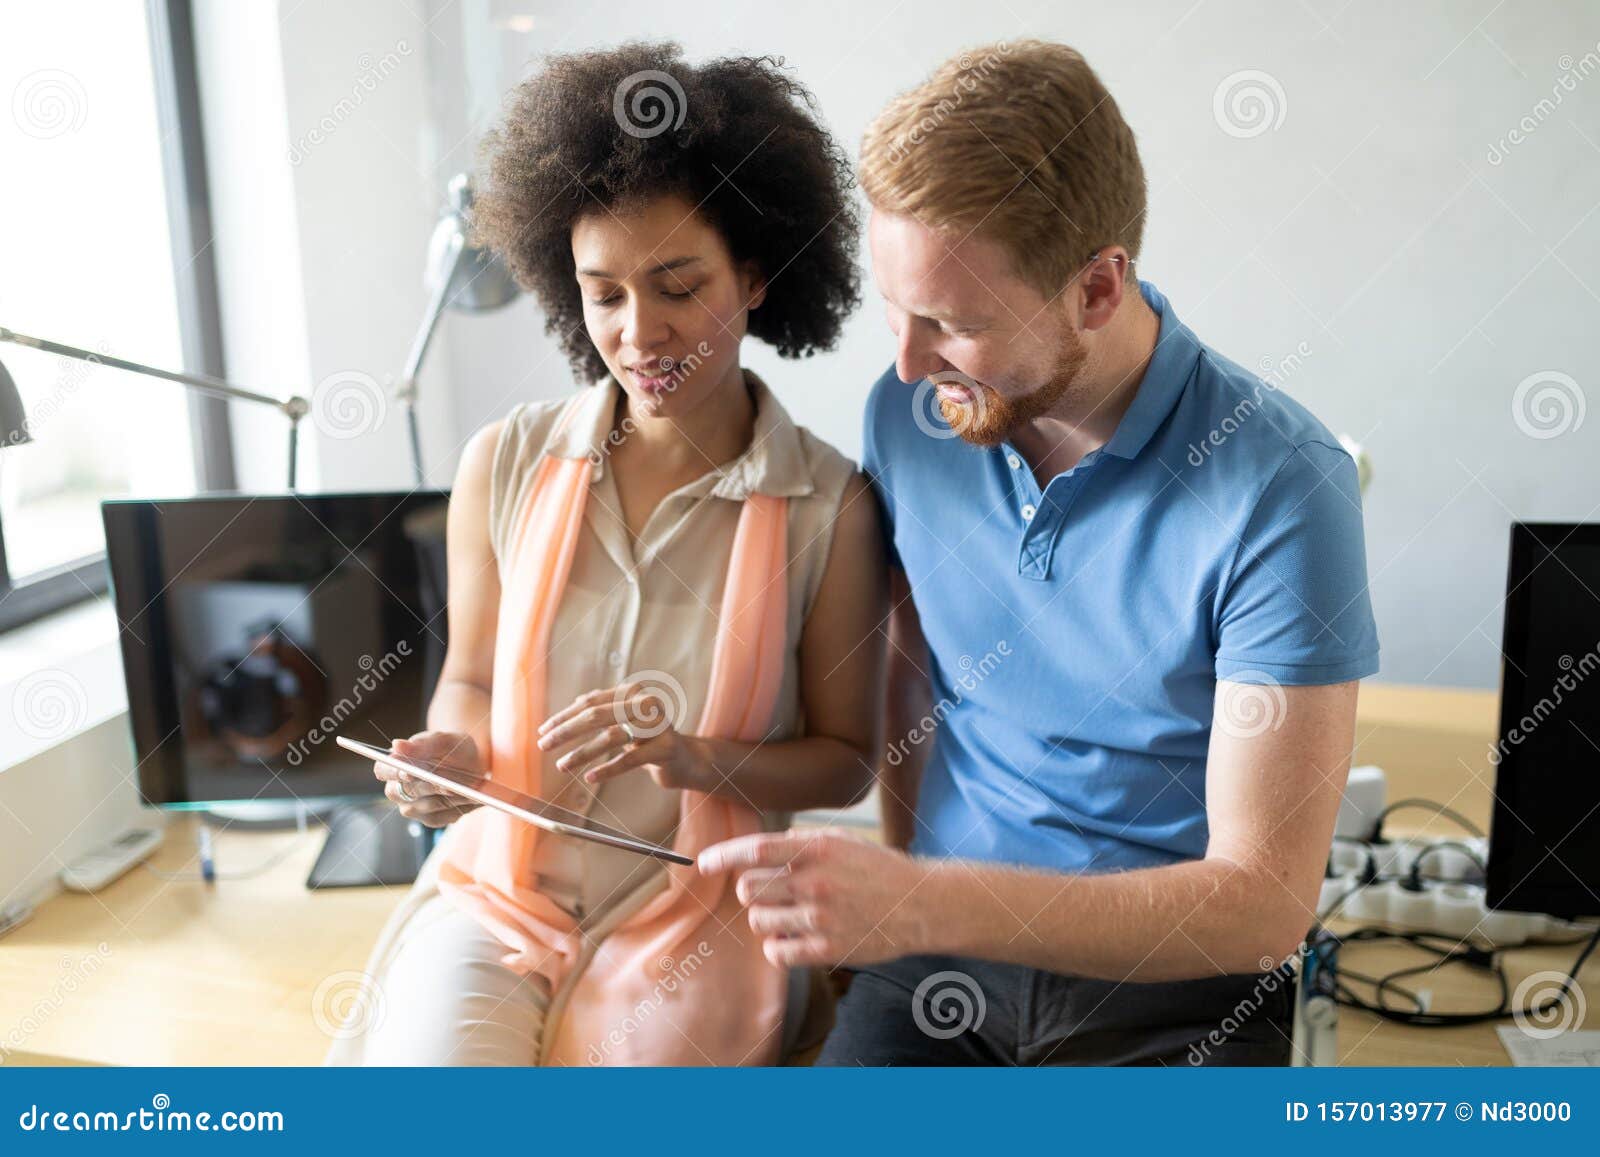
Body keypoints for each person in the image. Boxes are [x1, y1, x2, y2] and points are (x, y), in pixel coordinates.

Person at [700, 40, 1381, 1066]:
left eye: (952, 322)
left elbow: (1261, 907)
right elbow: (911, 653)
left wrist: (923, 896)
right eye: (894, 307)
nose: (907, 358)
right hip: (938, 953)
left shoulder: (1283, 486)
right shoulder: (913, 413)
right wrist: (907, 888)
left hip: (1172, 980)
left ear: (1098, 288)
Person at [328, 42, 886, 1066]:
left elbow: (849, 762)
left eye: (678, 286)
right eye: (604, 293)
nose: (639, 333)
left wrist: (693, 758)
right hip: (501, 890)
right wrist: (453, 753)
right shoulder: (505, 462)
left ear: (756, 276)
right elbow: (471, 679)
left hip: (698, 914)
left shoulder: (829, 508)